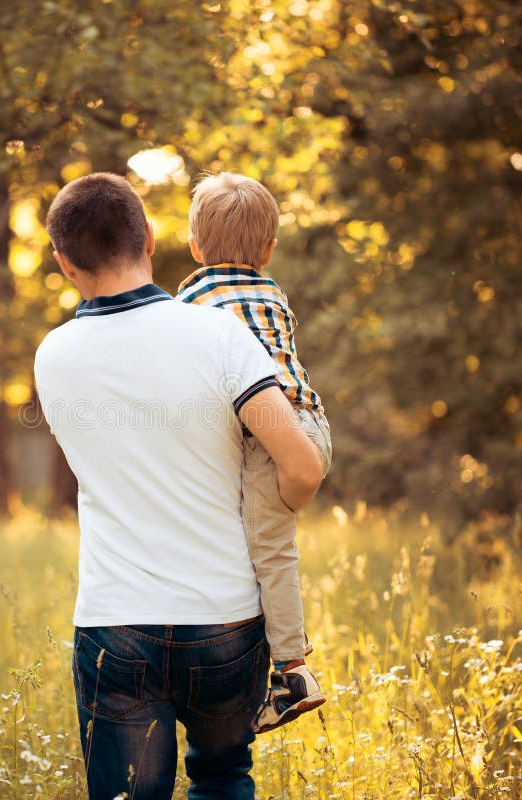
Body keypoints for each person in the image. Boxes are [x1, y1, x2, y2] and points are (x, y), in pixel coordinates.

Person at [34, 172, 323, 800]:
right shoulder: (221, 336)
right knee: (222, 781)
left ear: (63, 262)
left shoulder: (52, 355)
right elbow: (301, 467)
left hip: (117, 621)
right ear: (151, 238)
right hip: (225, 621)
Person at [176, 172, 332, 734]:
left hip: (272, 435)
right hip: (309, 422)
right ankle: (274, 664)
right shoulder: (274, 292)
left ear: (195, 247)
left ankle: (292, 671)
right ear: (269, 249)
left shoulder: (191, 300)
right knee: (265, 543)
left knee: (271, 552)